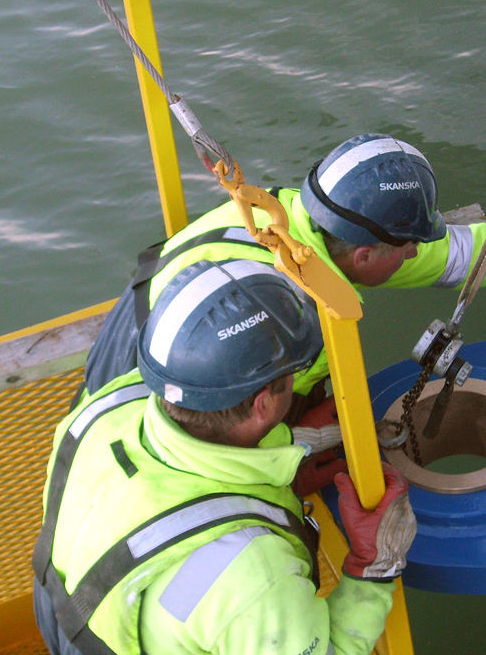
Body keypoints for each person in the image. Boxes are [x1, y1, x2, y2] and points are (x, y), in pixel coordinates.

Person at [80, 132, 486, 411]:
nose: (415, 256)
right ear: (368, 256)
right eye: (407, 249)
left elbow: (465, 253)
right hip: (147, 405)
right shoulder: (294, 316)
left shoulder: (294, 218)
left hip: (128, 339)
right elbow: (236, 431)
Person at [33, 260, 416, 655]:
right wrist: (372, 564)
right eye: (293, 378)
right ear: (264, 405)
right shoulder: (255, 577)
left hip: (65, 617)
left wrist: (284, 457)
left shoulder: (105, 410)